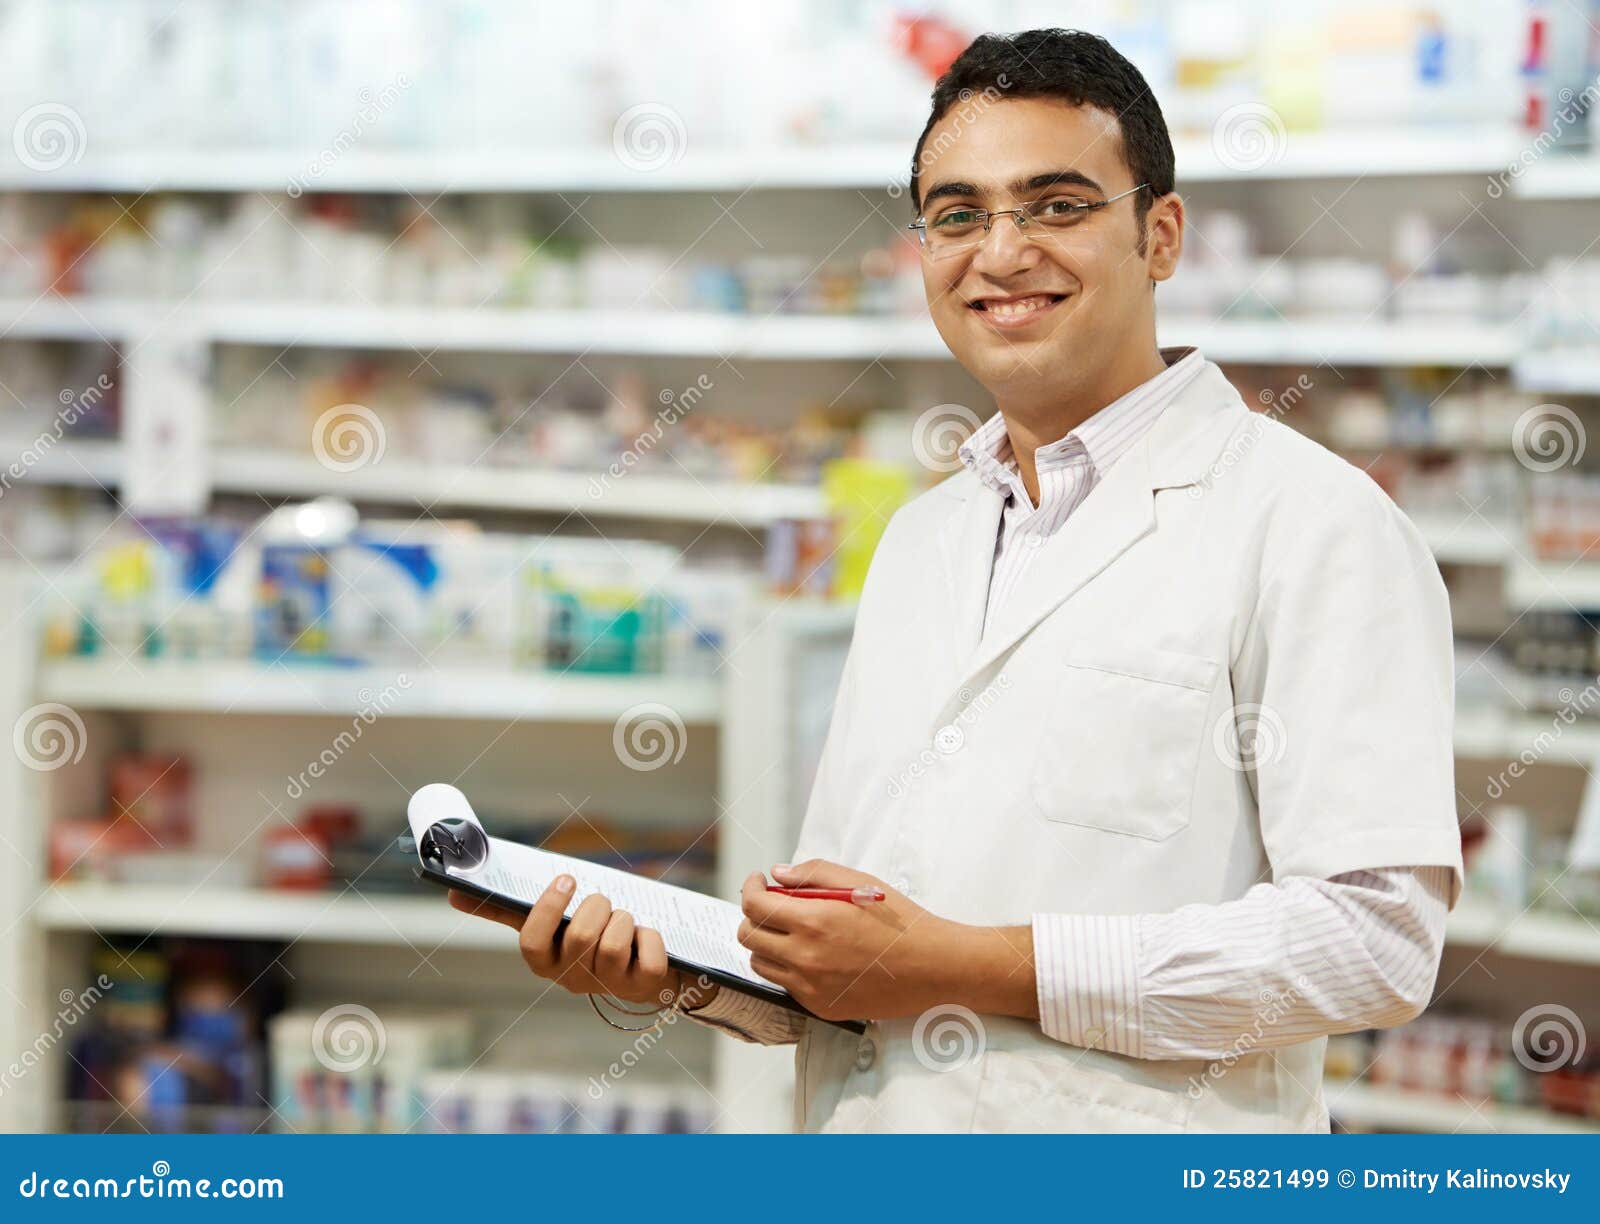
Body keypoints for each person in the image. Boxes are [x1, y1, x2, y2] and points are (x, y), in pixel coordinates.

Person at [454, 27, 1462, 1133]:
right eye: (958, 215)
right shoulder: (921, 540)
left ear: (1159, 235)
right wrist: (681, 972)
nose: (1002, 251)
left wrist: (967, 966)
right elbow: (855, 969)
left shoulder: (1315, 524)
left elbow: (1372, 945)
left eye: (1059, 205)